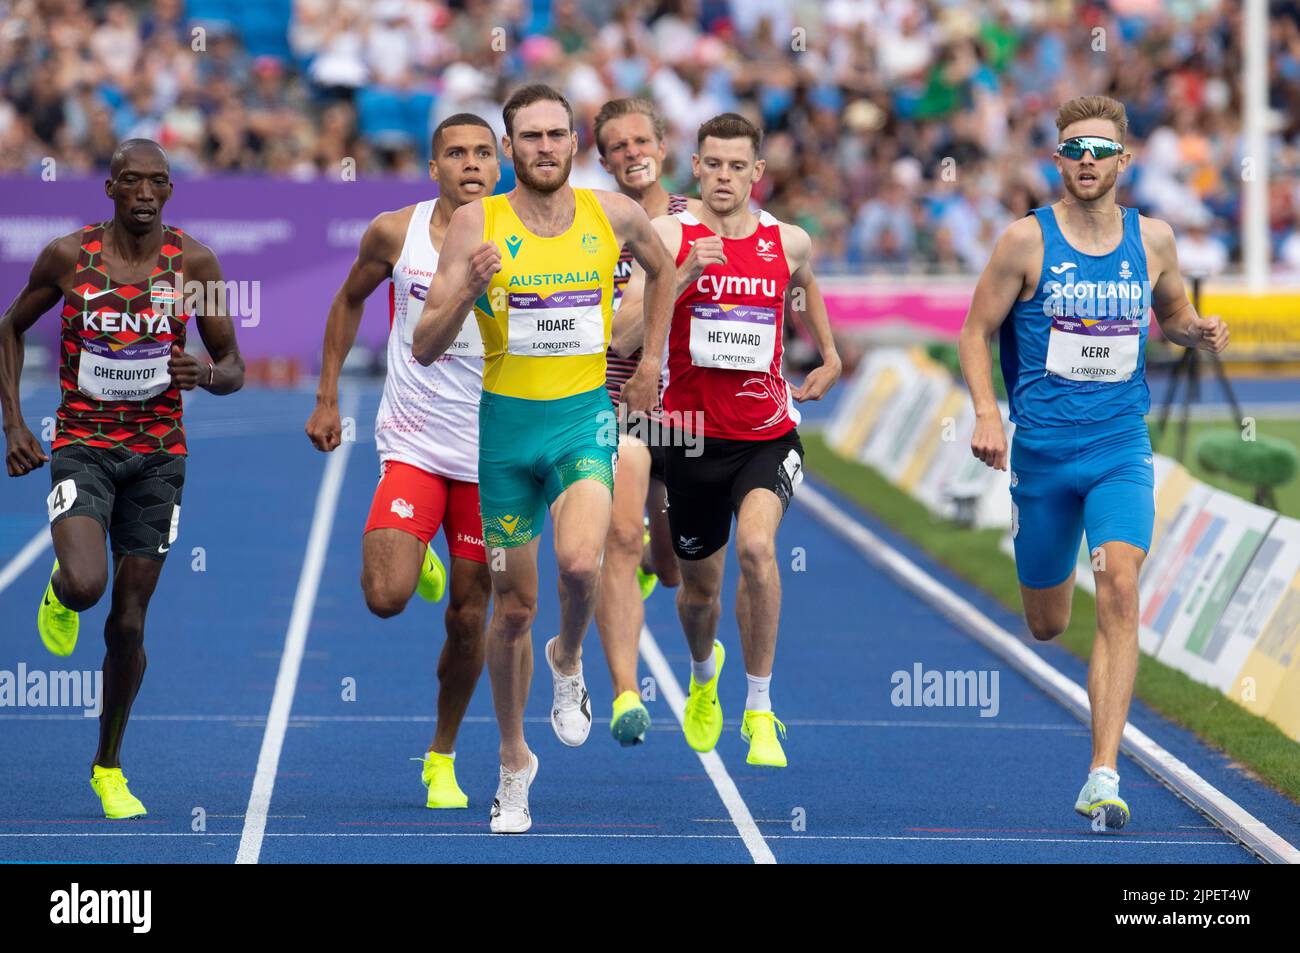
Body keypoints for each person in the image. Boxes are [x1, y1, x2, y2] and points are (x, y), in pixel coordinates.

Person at [958, 95, 1229, 830]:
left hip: (1119, 450)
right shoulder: (1025, 242)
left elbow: (1170, 315)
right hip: (1043, 458)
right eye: (1074, 148)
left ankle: (1102, 773)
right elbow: (975, 332)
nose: (1086, 160)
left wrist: (1194, 331)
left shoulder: (1156, 239)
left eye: (1099, 150)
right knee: (1047, 623)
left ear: (1123, 161)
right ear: (1058, 159)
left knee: (1120, 583)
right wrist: (987, 411)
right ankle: (1052, 581)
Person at [411, 85, 675, 833]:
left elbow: (665, 268)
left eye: (558, 134)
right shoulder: (475, 223)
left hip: (580, 420)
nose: (547, 147)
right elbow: (424, 345)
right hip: (503, 436)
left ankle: (570, 659)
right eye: (531, 137)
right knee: (512, 609)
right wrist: (466, 286)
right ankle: (512, 762)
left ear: (573, 142)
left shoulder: (612, 215)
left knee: (584, 563)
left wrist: (651, 357)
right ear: (509, 147)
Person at [0, 139, 245, 818]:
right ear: (108, 187)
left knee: (129, 625)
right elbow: (9, 327)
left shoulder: (192, 263)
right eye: (131, 181)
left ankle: (108, 764)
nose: (145, 193)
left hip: (161, 454)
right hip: (82, 444)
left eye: (158, 182)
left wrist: (209, 374)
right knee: (85, 585)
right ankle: (58, 590)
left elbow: (232, 364)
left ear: (170, 190)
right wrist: (14, 424)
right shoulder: (67, 257)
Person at [622, 113, 842, 768]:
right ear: (695, 167)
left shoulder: (788, 239)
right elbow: (624, 333)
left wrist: (828, 356)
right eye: (712, 164)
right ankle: (701, 672)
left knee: (757, 547)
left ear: (757, 173)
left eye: (736, 166)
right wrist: (680, 273)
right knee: (697, 595)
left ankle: (761, 706)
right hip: (688, 438)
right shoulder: (667, 234)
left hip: (766, 435)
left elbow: (805, 287)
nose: (723, 176)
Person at [305, 114, 500, 809]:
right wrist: (328, 396)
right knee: (385, 595)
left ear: (499, 164)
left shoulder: (527, 239)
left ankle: (442, 754)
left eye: (483, 152)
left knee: (468, 619)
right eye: (456, 153)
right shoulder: (396, 230)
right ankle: (418, 554)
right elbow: (348, 299)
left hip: (492, 457)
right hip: (415, 443)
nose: (471, 164)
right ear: (434, 166)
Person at [590, 96, 689, 747]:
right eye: (617, 146)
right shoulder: (595, 222)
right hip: (614, 404)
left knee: (677, 562)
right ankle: (626, 691)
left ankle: (661, 557)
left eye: (640, 142)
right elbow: (617, 334)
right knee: (619, 539)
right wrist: (673, 277)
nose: (631, 154)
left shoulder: (699, 218)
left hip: (689, 409)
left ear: (663, 145)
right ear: (602, 159)